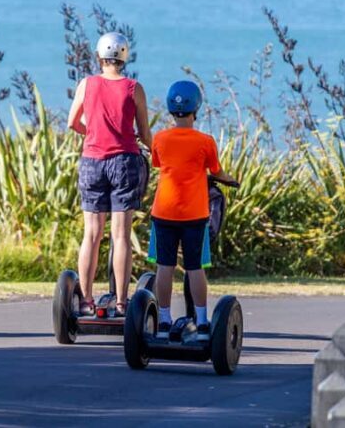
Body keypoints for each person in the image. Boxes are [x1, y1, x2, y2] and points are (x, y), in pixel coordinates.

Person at [67, 32, 152, 317]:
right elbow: (145, 133)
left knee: (91, 233)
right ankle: (121, 302)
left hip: (92, 160)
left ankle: (86, 299)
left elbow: (72, 122)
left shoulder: (86, 84)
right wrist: (154, 150)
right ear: (124, 57)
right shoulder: (134, 88)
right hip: (125, 161)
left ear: (99, 57)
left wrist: (90, 132)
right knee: (121, 235)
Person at [148, 80, 238, 340]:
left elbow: (158, 162)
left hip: (164, 213)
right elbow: (216, 171)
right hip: (194, 215)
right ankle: (201, 322)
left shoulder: (160, 139)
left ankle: (163, 321)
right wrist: (229, 180)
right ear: (196, 108)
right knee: (194, 267)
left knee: (164, 266)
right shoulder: (205, 141)